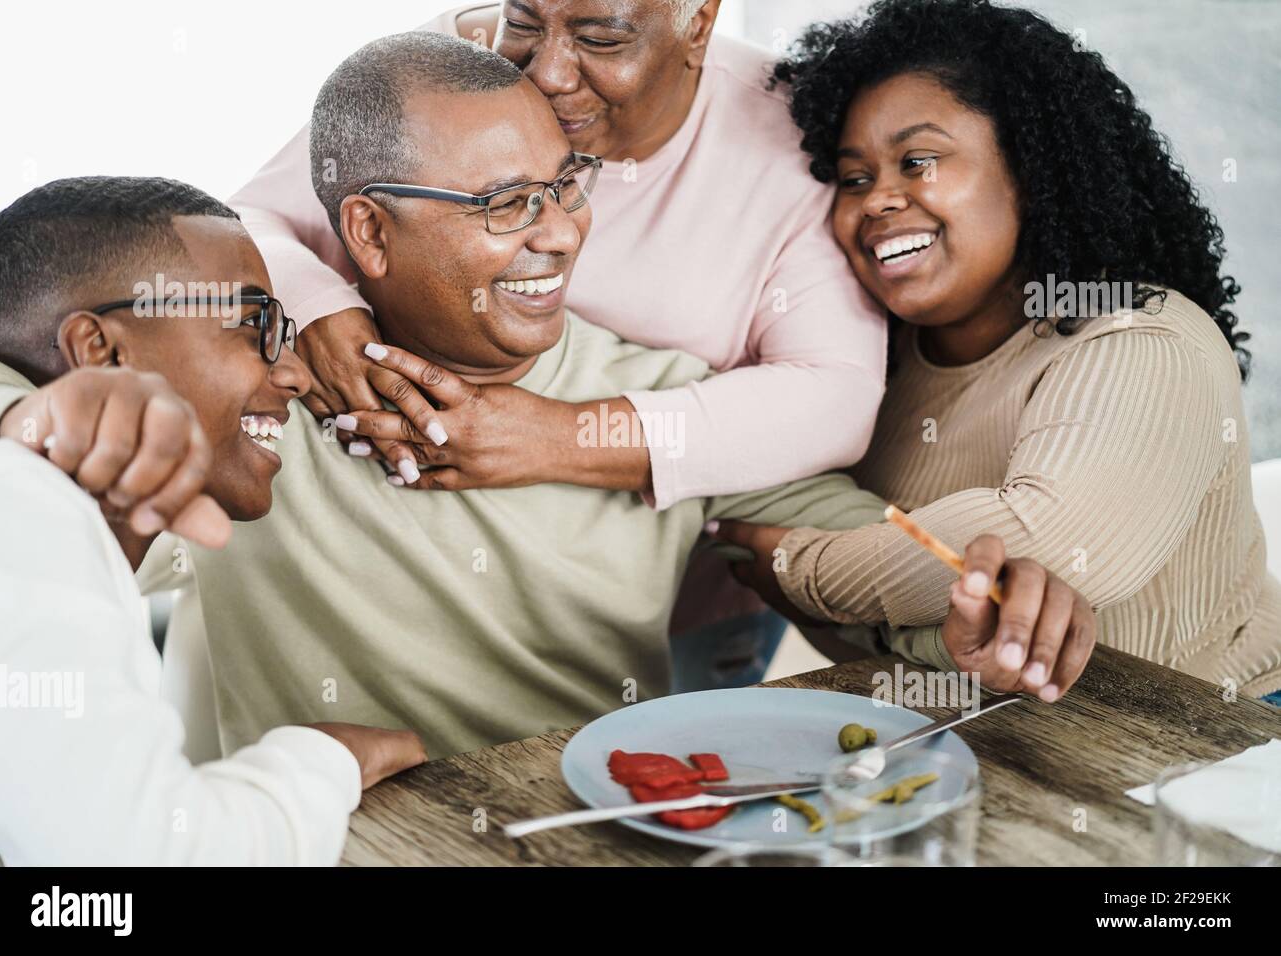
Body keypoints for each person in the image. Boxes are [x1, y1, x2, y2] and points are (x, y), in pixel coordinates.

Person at [162, 33, 1089, 760]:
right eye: (504, 204)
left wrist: (983, 616)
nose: (562, 235)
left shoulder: (670, 399)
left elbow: (879, 564)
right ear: (367, 229)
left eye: (565, 187)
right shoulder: (250, 389)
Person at [226, 0, 889, 690]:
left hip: (674, 575)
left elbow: (837, 394)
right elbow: (238, 219)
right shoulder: (460, 63)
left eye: (601, 38)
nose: (545, 74)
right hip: (395, 554)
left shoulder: (791, 127)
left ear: (699, 24)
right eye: (524, 21)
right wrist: (312, 305)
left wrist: (558, 437)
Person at [716, 0, 1281, 699]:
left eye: (917, 161)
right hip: (1021, 748)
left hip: (1227, 746)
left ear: (1031, 164)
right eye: (855, 177)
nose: (878, 200)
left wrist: (787, 559)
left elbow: (1034, 547)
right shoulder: (870, 365)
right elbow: (886, 622)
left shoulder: (1145, 336)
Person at [0, 176, 426, 864]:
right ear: (101, 352)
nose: (296, 375)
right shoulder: (25, 508)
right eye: (255, 328)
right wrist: (324, 761)